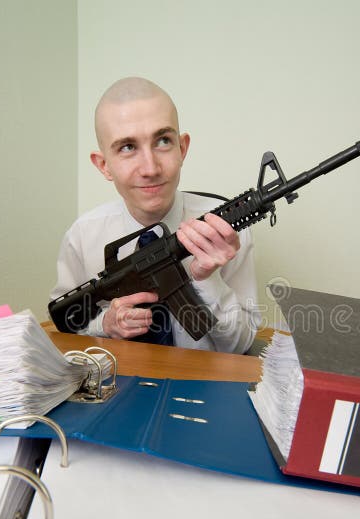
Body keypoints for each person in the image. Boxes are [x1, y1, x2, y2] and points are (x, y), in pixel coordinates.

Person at [50, 77, 259, 354]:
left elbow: (240, 346)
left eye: (162, 141)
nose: (150, 168)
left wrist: (207, 278)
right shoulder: (82, 236)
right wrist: (105, 325)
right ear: (104, 165)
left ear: (182, 148)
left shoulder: (225, 230)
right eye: (127, 147)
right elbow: (68, 333)